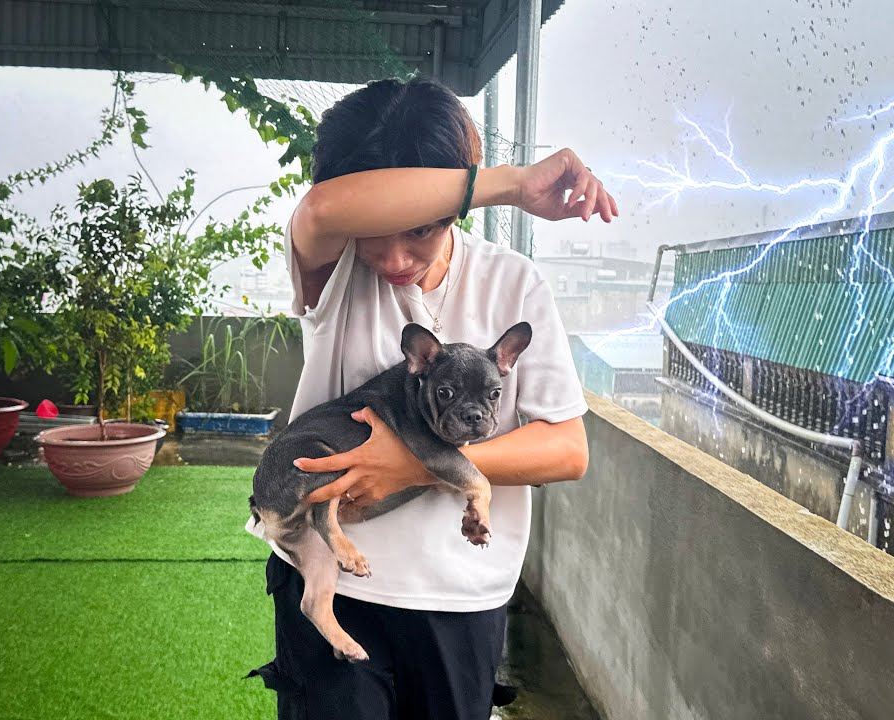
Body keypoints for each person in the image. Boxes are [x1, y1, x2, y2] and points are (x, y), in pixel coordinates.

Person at [246, 76, 618, 720]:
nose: (392, 258)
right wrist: (508, 182)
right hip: (329, 575)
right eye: (378, 231)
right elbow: (324, 211)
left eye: (418, 231)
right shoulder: (334, 270)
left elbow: (567, 448)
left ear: (452, 206)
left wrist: (415, 463)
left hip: (461, 598)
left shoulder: (513, 282)